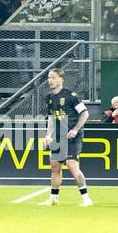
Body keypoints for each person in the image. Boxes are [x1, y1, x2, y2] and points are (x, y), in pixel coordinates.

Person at [40, 67, 92, 206]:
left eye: (53, 77)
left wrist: (75, 129)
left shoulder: (71, 96)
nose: (50, 80)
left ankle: (86, 198)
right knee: (55, 167)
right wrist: (47, 135)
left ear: (61, 79)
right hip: (58, 136)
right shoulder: (49, 98)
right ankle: (54, 199)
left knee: (72, 165)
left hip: (71, 136)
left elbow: (85, 114)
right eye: (49, 77)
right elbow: (51, 118)